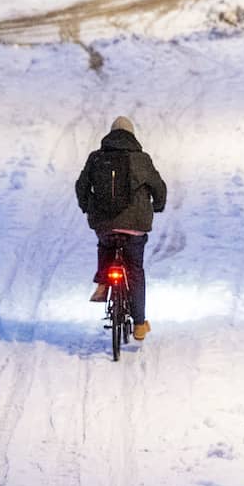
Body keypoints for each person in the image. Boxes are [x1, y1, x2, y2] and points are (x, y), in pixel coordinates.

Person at [75, 116, 167, 341]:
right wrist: (158, 206)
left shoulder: (96, 158)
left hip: (104, 223)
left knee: (105, 244)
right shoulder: (141, 159)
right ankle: (139, 324)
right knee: (135, 270)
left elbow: (81, 186)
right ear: (132, 135)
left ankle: (102, 283)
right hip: (135, 225)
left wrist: (87, 206)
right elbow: (159, 187)